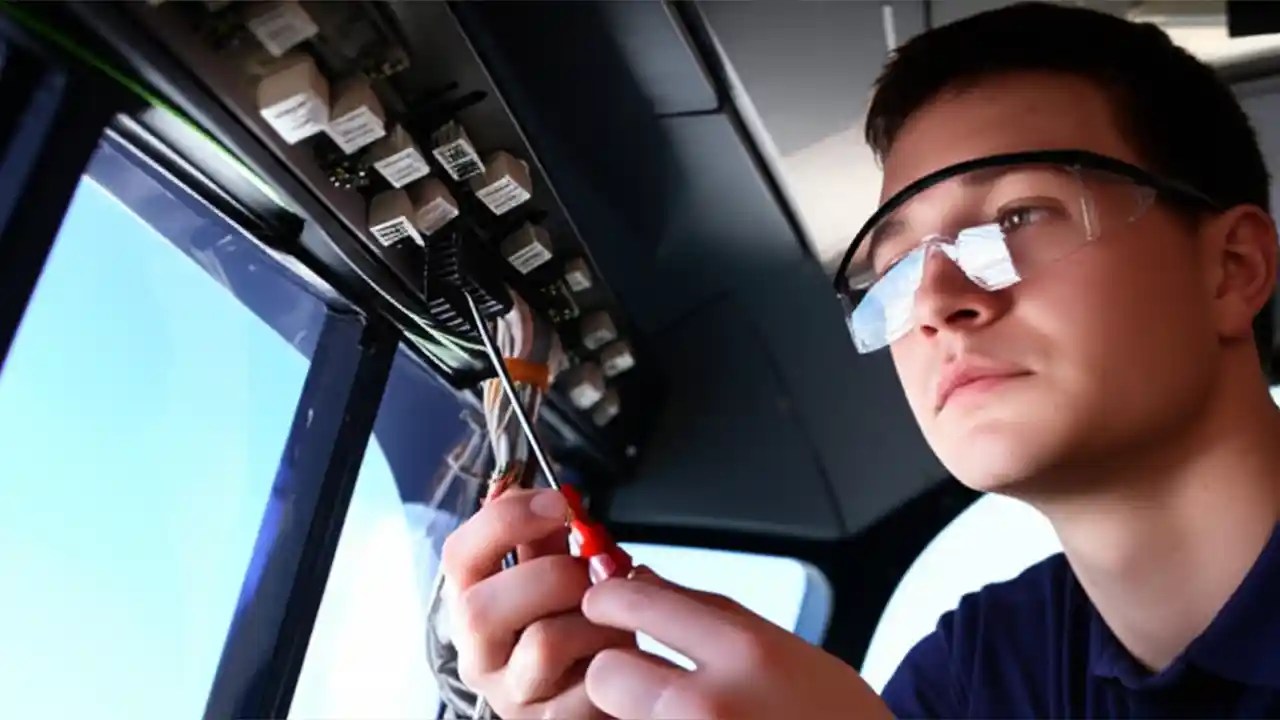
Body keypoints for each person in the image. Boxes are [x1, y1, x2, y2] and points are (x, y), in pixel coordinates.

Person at [438, 2, 1280, 717]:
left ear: (1232, 268)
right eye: (897, 267)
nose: (936, 299)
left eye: (1022, 215)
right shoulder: (984, 671)